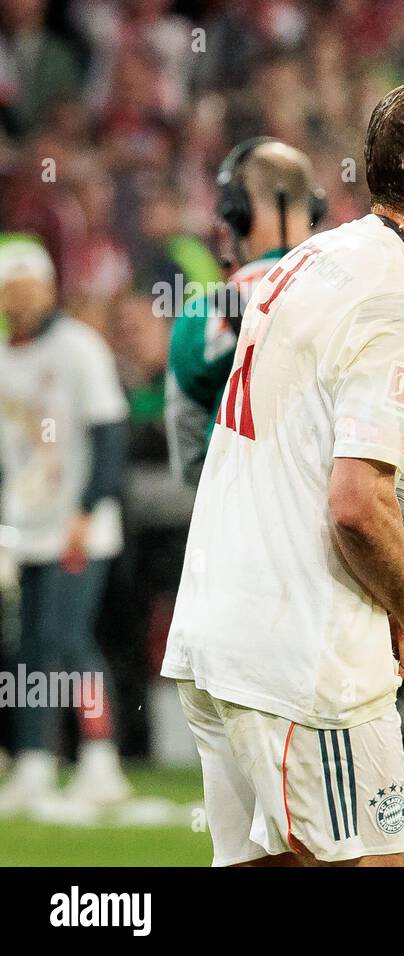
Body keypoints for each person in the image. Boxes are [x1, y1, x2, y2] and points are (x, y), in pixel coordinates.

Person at [161, 79, 404, 867]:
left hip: (221, 644)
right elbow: (352, 508)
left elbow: (314, 470)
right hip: (307, 664)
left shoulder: (309, 262)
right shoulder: (400, 301)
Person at [0, 235, 133, 815]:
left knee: (69, 641)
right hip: (25, 527)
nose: (22, 299)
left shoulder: (79, 349)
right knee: (30, 649)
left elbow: (109, 433)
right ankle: (34, 760)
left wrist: (89, 508)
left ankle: (100, 759)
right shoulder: (4, 358)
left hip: (77, 526)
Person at [165, 137, 327, 486]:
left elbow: (191, 464)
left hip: (251, 530)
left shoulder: (205, 315)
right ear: (314, 208)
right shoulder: (364, 284)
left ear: (237, 213)